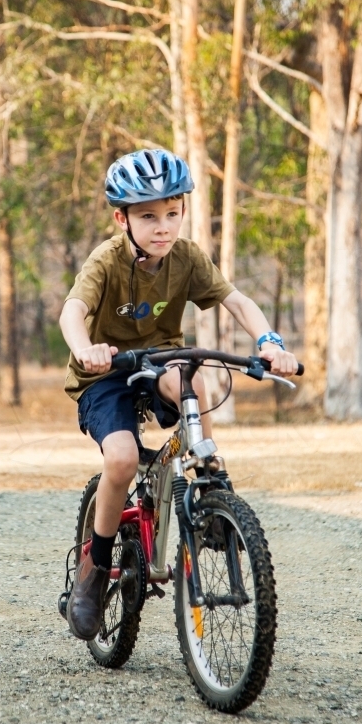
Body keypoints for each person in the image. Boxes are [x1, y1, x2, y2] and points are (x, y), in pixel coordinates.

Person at [59, 149, 298, 640]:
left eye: (173, 213)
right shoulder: (106, 260)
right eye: (148, 216)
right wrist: (86, 350)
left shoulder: (186, 257)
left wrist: (270, 343)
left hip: (160, 362)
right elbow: (72, 310)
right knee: (122, 460)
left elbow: (236, 300)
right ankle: (94, 570)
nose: (163, 227)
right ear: (121, 218)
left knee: (196, 375)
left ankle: (207, 476)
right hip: (105, 375)